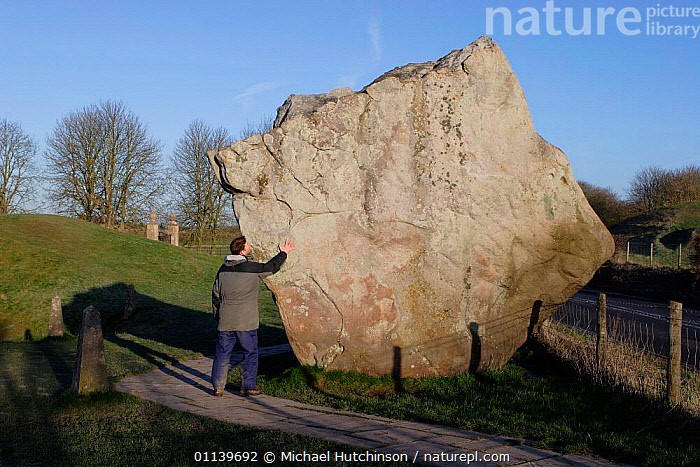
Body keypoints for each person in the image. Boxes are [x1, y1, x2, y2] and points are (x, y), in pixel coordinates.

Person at [211, 235, 295, 397]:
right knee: (249, 352)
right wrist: (283, 252)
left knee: (222, 353)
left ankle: (218, 387)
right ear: (243, 250)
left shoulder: (222, 270)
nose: (250, 245)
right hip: (246, 320)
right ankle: (247, 386)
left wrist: (218, 316)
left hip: (226, 319)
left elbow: (215, 295)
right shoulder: (250, 268)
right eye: (248, 244)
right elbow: (271, 267)